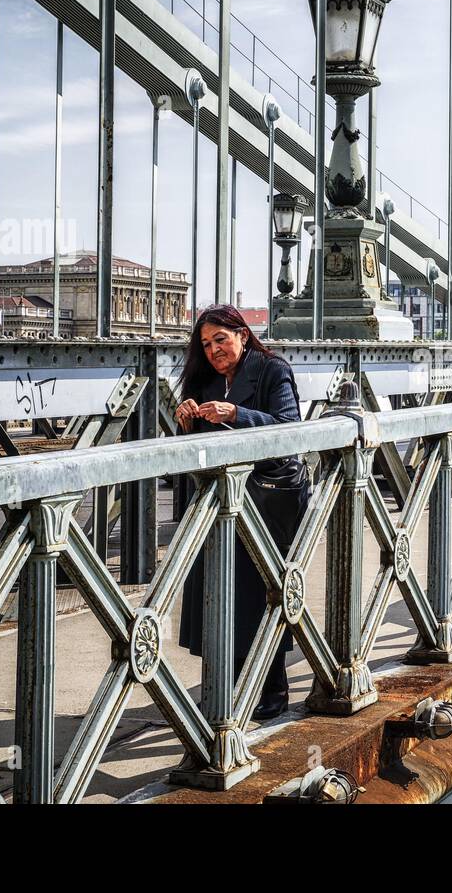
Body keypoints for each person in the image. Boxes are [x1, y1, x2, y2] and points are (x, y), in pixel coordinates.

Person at [177, 304, 308, 721]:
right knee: (215, 588)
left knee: (259, 593)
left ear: (243, 336)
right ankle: (224, 686)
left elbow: (288, 429)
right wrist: (186, 419)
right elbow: (205, 441)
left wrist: (237, 413)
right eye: (206, 344)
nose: (214, 349)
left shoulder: (272, 371)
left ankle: (272, 689)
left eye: (221, 339)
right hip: (223, 500)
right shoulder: (208, 379)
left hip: (270, 499)